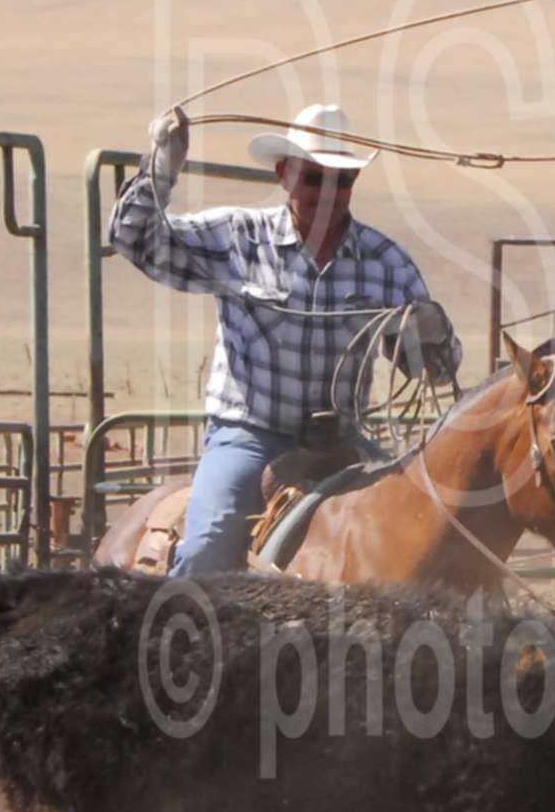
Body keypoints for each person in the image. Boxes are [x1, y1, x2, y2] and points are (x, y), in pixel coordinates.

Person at [108, 99, 461, 576]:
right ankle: (181, 636)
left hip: (346, 442)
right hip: (249, 437)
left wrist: (433, 333)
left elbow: (436, 372)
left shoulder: (386, 263)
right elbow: (135, 240)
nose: (328, 193)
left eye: (341, 180)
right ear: (284, 174)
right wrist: (161, 168)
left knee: (430, 530)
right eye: (313, 178)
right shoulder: (238, 238)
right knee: (208, 548)